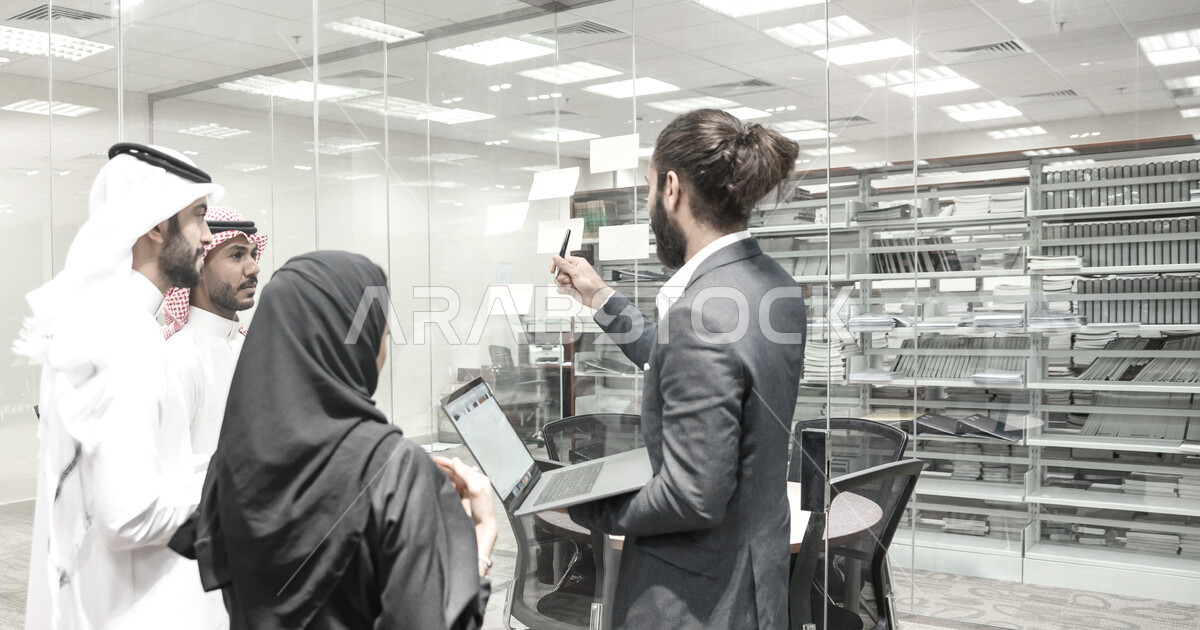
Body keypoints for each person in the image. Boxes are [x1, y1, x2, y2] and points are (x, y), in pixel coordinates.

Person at [552, 109, 808, 628]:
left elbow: (690, 498)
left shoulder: (698, 313)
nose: (649, 207)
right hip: (755, 572)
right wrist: (600, 296)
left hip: (696, 594)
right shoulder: (772, 285)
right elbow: (678, 364)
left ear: (671, 188)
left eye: (648, 189)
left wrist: (583, 504)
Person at [170, 251, 496, 629]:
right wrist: (478, 542)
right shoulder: (396, 472)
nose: (384, 350)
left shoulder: (229, 465)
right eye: (382, 335)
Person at [13, 143, 222, 629]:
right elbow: (128, 515)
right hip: (138, 609)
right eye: (197, 216)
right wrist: (231, 486)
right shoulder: (126, 335)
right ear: (154, 224)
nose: (206, 236)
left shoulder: (101, 323)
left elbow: (143, 470)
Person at [163, 206, 268, 460]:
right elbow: (168, 476)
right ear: (196, 267)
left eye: (252, 254)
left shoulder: (253, 349)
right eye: (236, 255)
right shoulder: (175, 360)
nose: (253, 268)